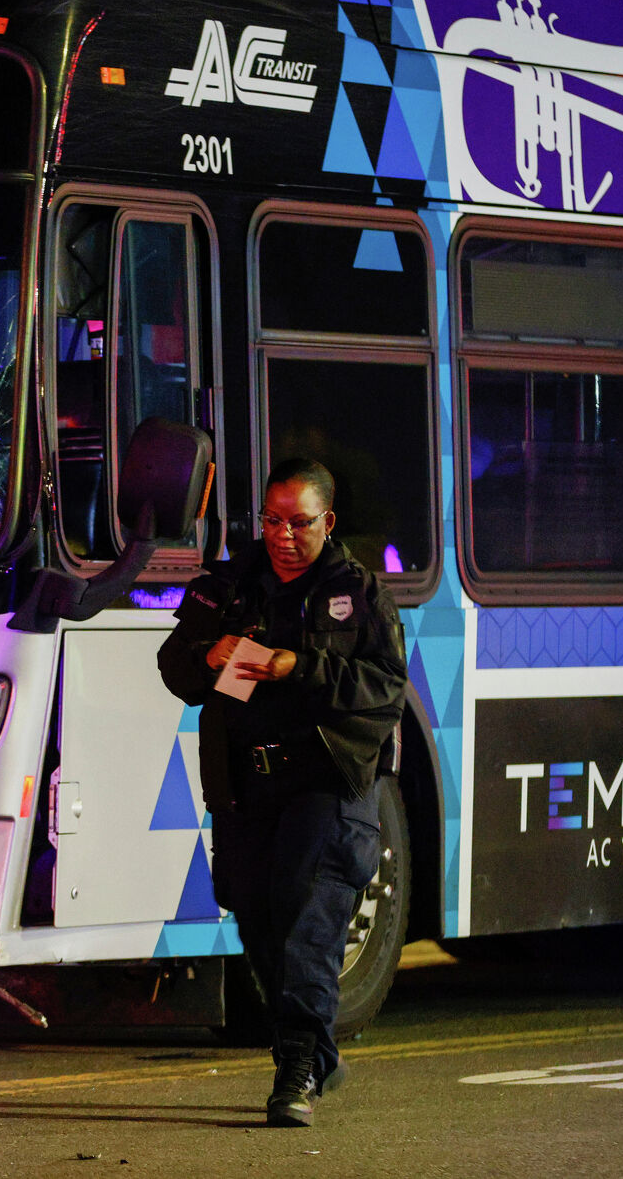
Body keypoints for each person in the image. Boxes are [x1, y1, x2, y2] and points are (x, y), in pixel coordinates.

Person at [157, 458, 409, 1126]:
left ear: (327, 522)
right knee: (257, 918)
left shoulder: (357, 592)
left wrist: (300, 666)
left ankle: (294, 1071)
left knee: (305, 921)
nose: (283, 535)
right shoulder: (229, 585)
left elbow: (385, 688)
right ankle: (314, 1053)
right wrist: (208, 659)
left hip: (325, 782)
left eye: (298, 523)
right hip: (247, 785)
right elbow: (176, 667)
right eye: (272, 520)